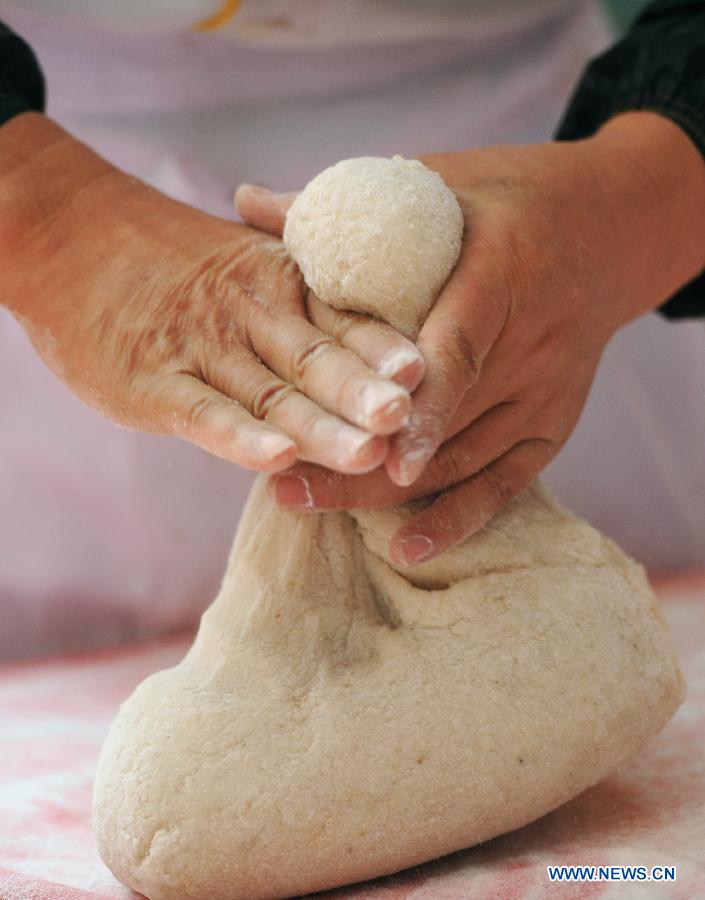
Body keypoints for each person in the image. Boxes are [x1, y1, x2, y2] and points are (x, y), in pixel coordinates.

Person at [1, 1, 703, 660]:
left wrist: (643, 191)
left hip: (558, 184)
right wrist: (46, 214)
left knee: (584, 655)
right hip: (49, 164)